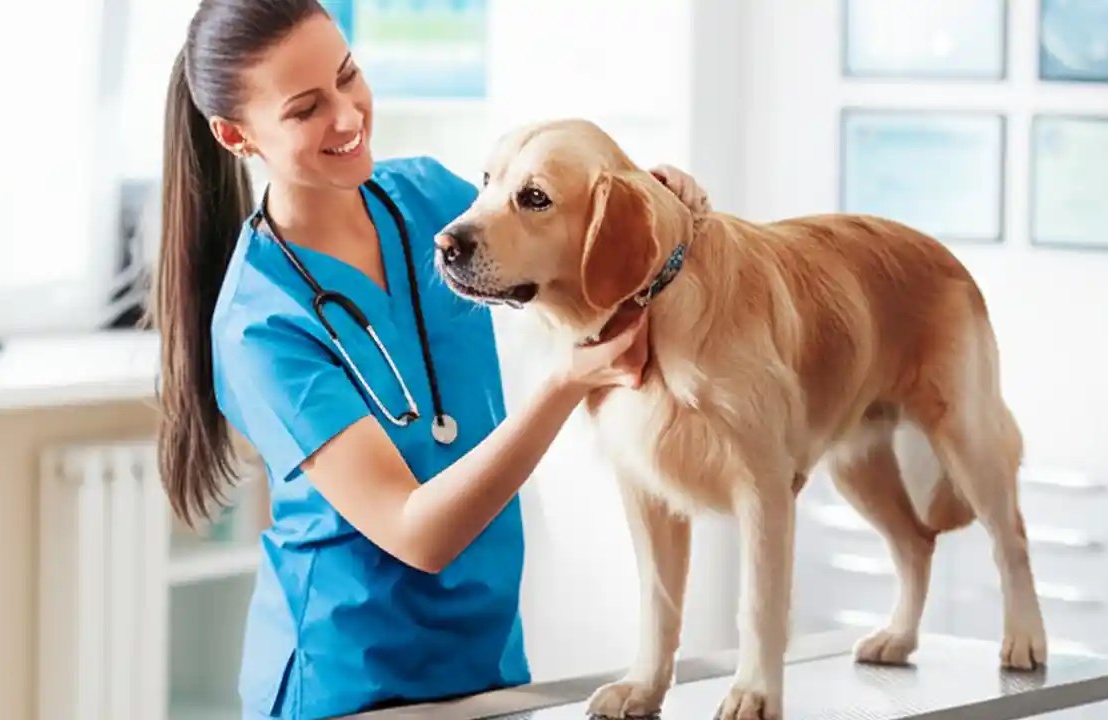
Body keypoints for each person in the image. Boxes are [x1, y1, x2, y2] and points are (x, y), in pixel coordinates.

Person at [149, 1, 711, 718]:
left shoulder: (431, 199)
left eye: (349, 76)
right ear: (235, 135)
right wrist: (567, 383)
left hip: (486, 658)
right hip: (349, 681)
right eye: (306, 108)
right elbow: (420, 533)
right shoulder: (262, 324)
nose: (349, 116)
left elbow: (577, 240)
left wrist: (656, 207)